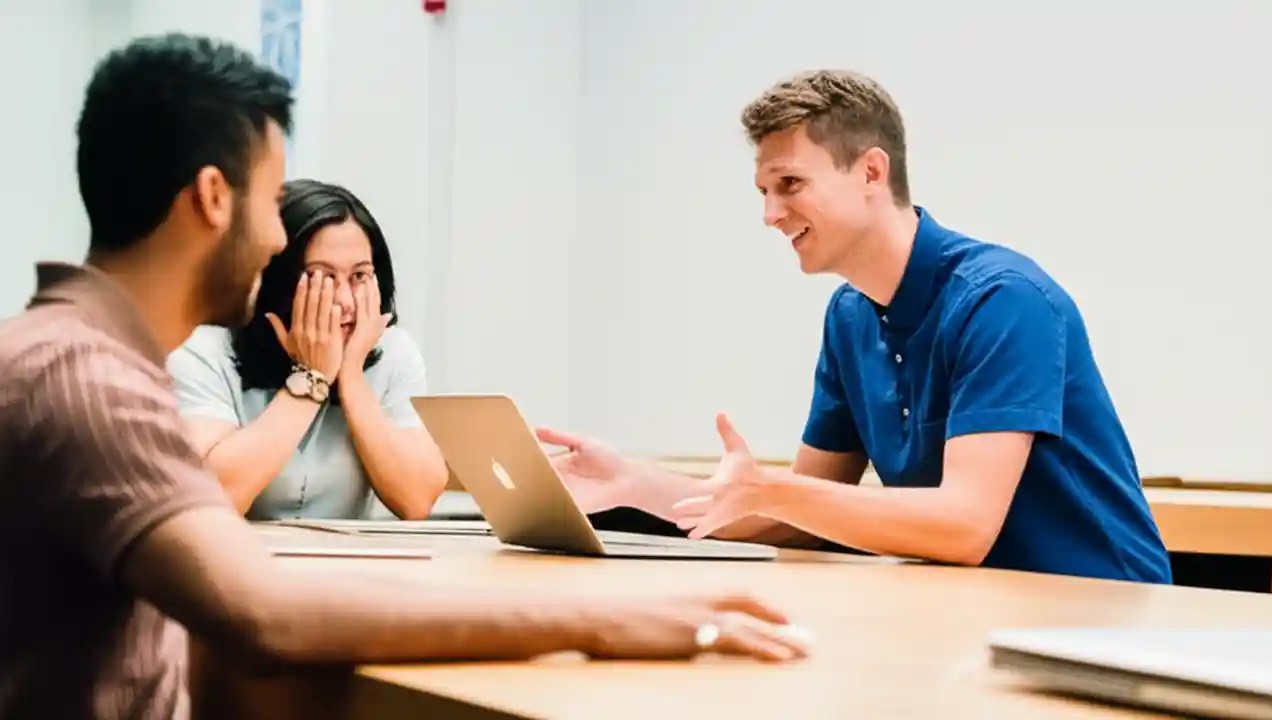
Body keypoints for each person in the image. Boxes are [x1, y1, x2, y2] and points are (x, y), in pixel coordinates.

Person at [0, 34, 807, 719]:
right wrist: (605, 620)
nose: (279, 236)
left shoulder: (71, 356)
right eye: (273, 201)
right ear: (214, 197)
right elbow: (263, 612)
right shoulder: (84, 382)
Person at [539, 69, 1172, 584]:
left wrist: (774, 491)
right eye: (762, 190)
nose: (769, 214)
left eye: (789, 184)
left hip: (1102, 615)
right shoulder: (849, 316)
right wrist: (632, 482)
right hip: (977, 612)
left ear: (871, 172)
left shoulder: (1004, 300)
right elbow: (801, 514)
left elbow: (963, 526)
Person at [168, 178, 448, 520]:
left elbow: (417, 498)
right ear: (272, 281)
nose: (346, 302)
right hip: (236, 566)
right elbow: (213, 498)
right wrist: (311, 379)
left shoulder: (395, 353)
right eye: (322, 278)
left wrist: (351, 378)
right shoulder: (205, 351)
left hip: (349, 570)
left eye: (359, 276)